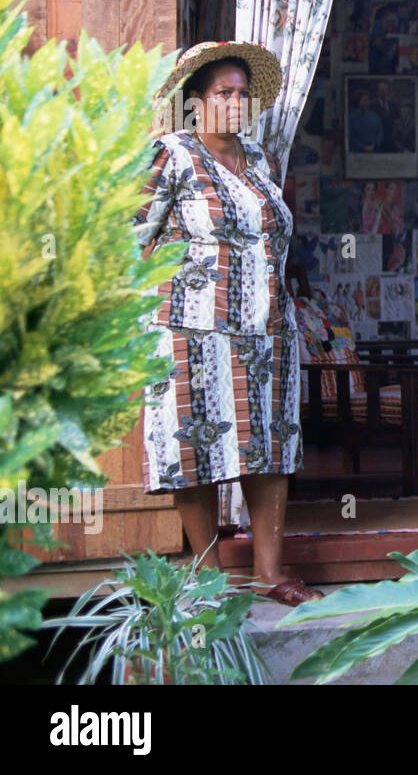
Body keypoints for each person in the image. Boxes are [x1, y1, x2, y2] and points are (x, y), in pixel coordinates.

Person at [137, 40, 323, 607]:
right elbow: (131, 241)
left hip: (266, 331)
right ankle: (208, 576)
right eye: (224, 91)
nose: (236, 101)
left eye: (243, 93)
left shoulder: (261, 160)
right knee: (195, 450)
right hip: (192, 331)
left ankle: (271, 573)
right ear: (197, 100)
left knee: (267, 448)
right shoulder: (171, 155)